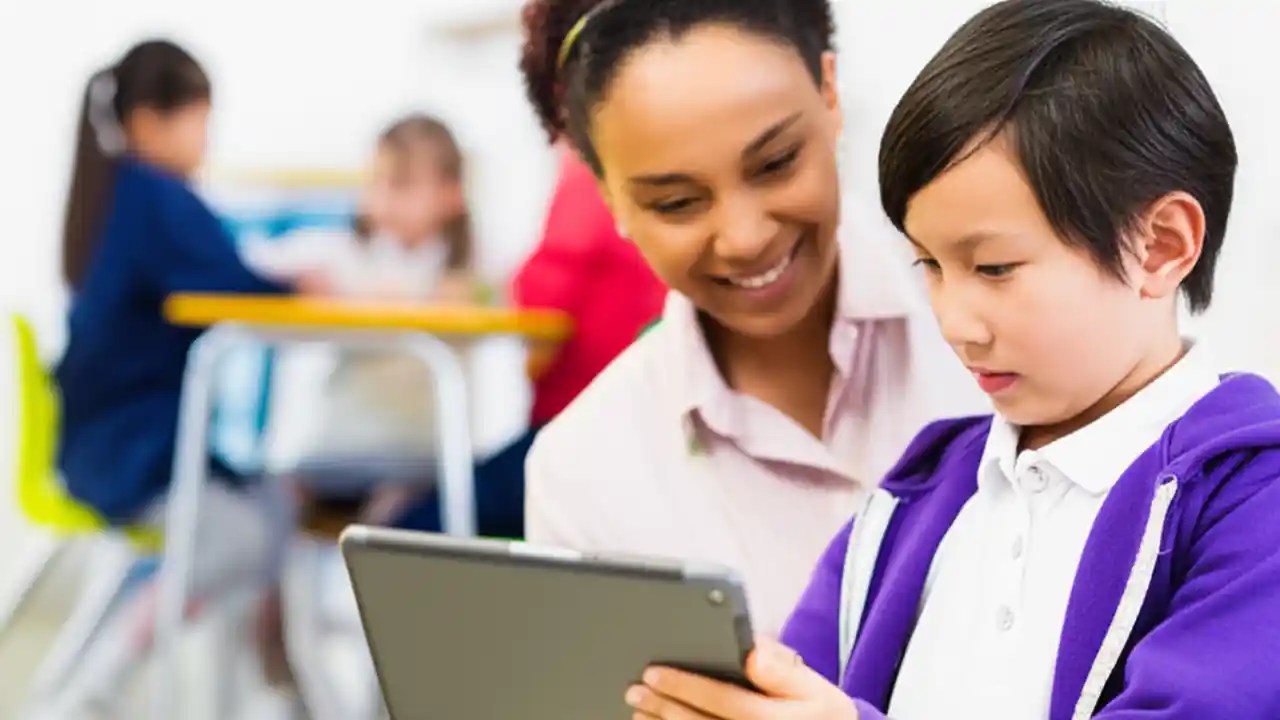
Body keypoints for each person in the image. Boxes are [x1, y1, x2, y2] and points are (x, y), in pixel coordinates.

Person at [626, 2, 1280, 719]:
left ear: (1160, 246)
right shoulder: (914, 499)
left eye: (994, 267)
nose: (954, 323)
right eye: (931, 266)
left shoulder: (1254, 498)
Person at [517, 0, 984, 634]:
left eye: (776, 163)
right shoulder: (583, 471)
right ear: (609, 197)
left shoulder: (1010, 324)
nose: (744, 238)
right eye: (677, 202)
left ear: (829, 93)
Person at [37, 40, 293, 718]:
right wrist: (302, 283)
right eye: (199, 121)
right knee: (244, 534)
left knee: (272, 509)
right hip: (128, 449)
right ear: (150, 122)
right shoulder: (155, 196)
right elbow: (237, 285)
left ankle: (250, 695)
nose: (207, 139)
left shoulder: (115, 192)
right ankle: (98, 687)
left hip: (110, 439)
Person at [391, 136, 668, 539]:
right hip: (632, 421)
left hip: (585, 423)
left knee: (410, 531)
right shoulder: (638, 172)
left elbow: (542, 294)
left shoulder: (588, 178)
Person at [247, 113, 479, 525]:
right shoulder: (341, 255)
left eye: (402, 184)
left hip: (421, 459)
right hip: (336, 451)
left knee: (396, 521)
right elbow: (256, 260)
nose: (382, 199)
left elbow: (500, 296)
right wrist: (303, 288)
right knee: (267, 504)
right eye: (375, 182)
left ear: (451, 194)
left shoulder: (470, 269)